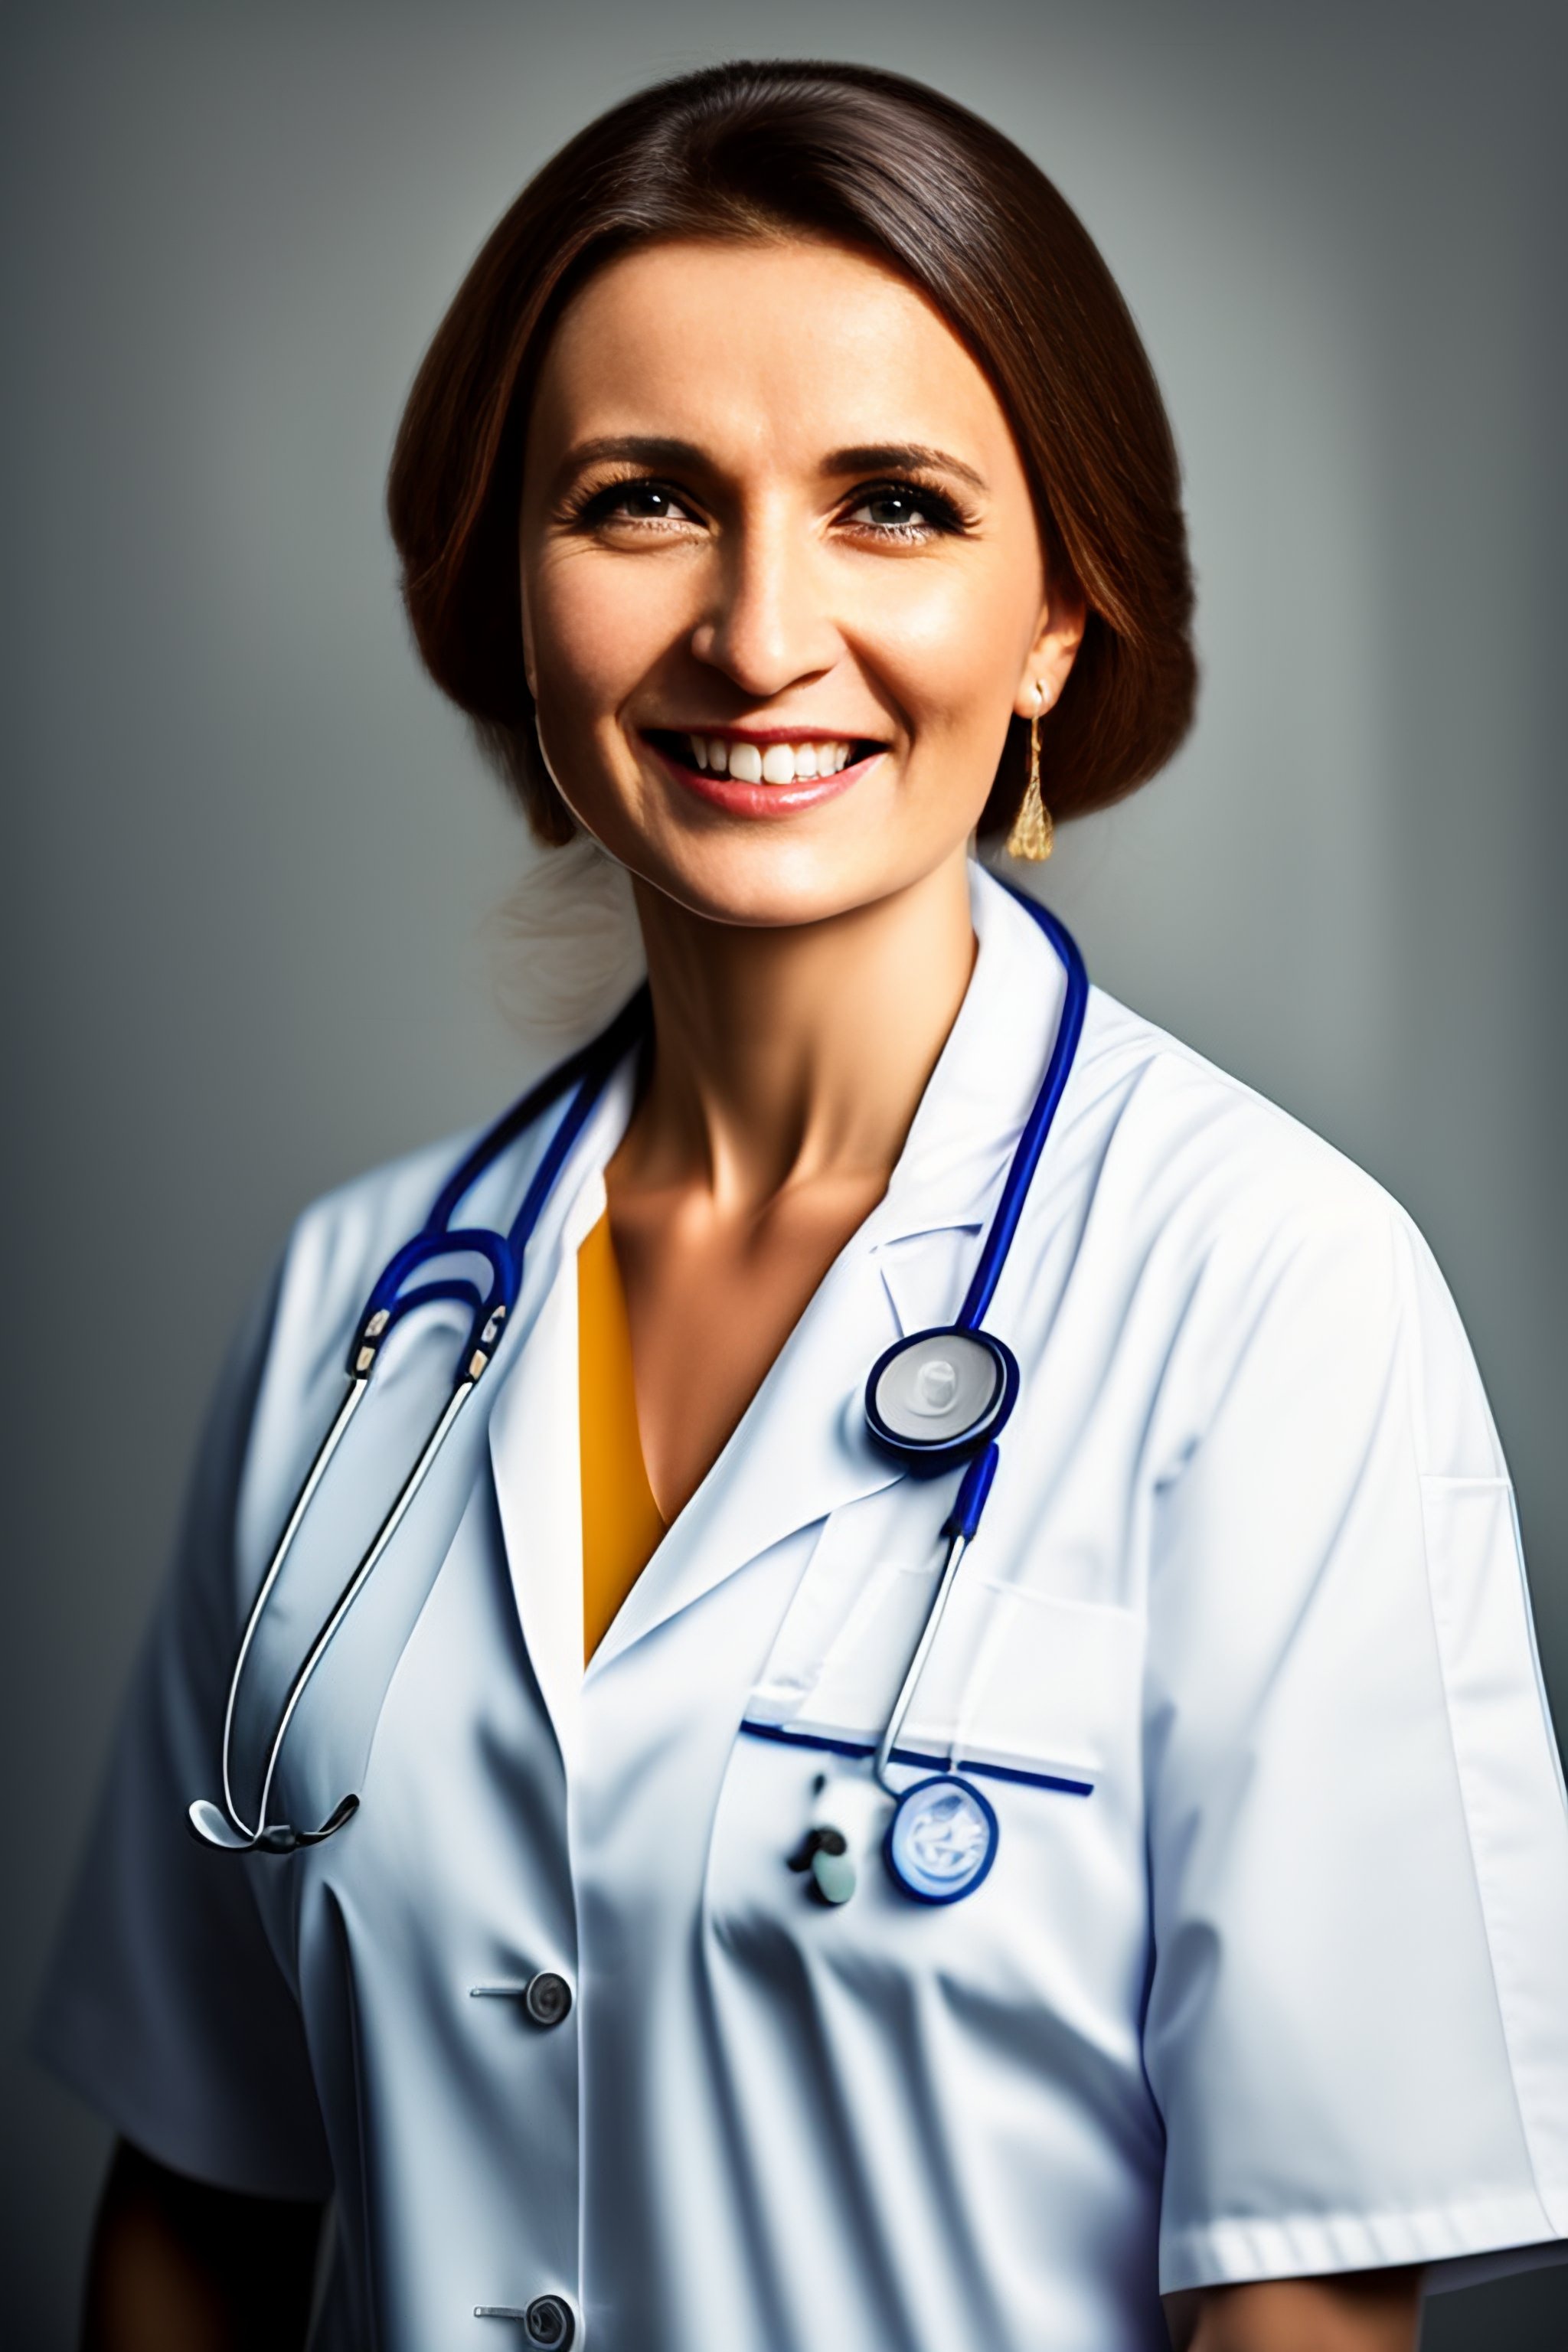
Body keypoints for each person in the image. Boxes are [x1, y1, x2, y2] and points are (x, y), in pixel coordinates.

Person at [37, 58, 1568, 2352]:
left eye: (894, 506)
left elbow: (1311, 2304)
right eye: (647, 499)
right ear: (510, 603)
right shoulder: (358, 1303)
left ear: (1062, 617)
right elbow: (197, 2209)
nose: (760, 635)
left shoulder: (1269, 1297)